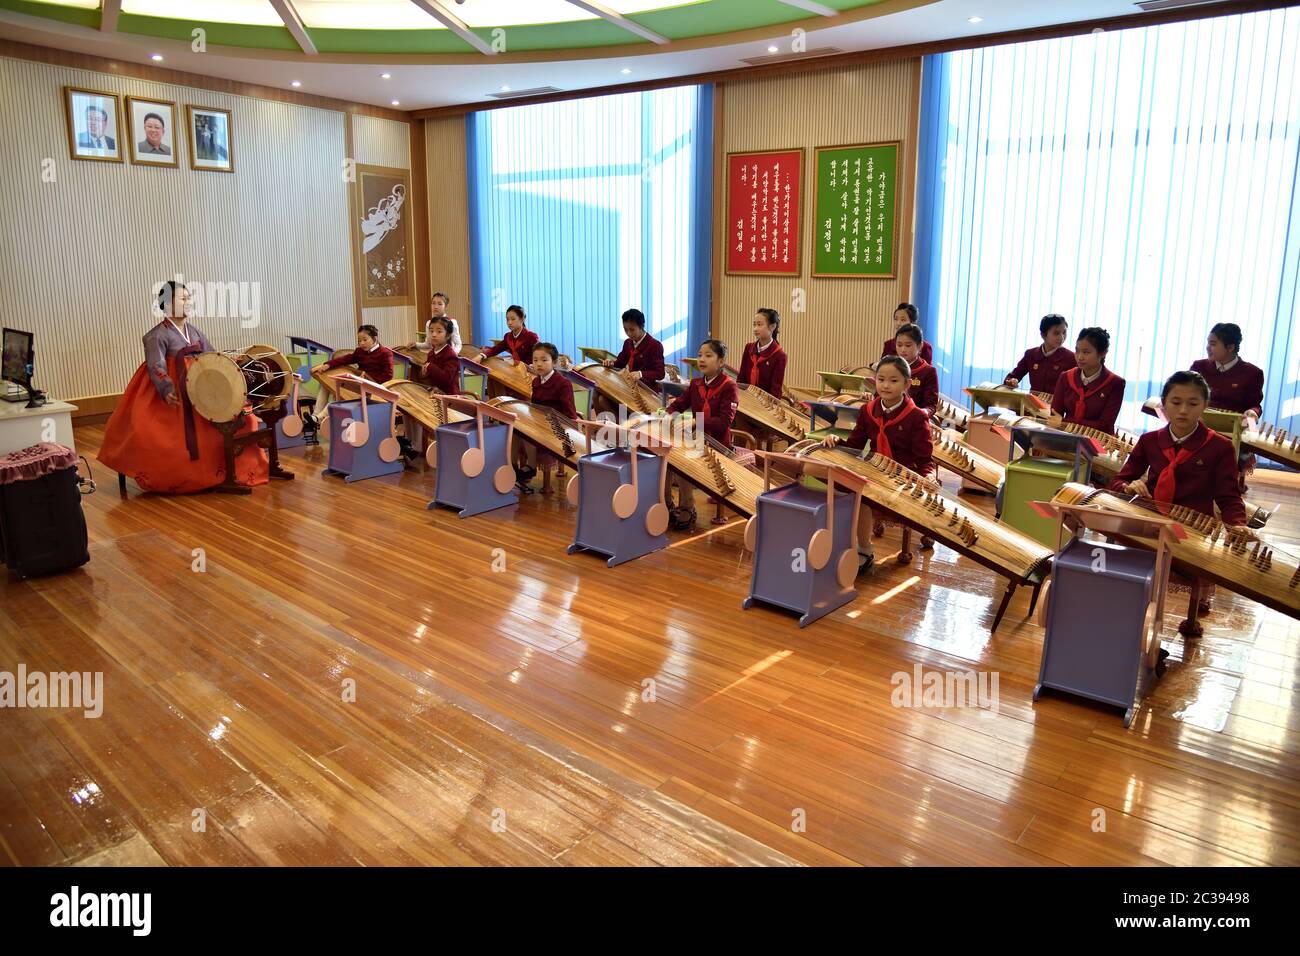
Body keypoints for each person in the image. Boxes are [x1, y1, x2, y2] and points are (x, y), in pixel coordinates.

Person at [98, 281, 267, 493]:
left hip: (200, 386)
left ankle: (226, 471)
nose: (188, 302)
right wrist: (167, 388)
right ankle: (186, 477)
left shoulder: (194, 331)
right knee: (159, 435)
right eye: (182, 299)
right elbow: (156, 365)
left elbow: (212, 356)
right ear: (167, 305)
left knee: (238, 418)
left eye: (189, 298)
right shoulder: (156, 335)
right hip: (175, 388)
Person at [1111, 370, 1252, 617]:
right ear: (1163, 404)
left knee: (1195, 561)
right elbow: (1119, 481)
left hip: (1193, 526)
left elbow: (1228, 496)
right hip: (1153, 519)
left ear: (1205, 406)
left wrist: (1237, 525)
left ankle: (1192, 610)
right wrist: (1129, 487)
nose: (1183, 410)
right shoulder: (1149, 440)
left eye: (1193, 403)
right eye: (1176, 403)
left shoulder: (1219, 446)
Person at [822, 355, 935, 561]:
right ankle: (864, 548)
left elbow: (925, 459)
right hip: (874, 471)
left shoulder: (917, 416)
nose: (886, 385)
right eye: (881, 379)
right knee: (855, 490)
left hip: (903, 477)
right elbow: (854, 446)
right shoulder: (868, 410)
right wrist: (836, 439)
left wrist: (928, 477)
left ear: (907, 384)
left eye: (894, 380)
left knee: (865, 491)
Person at [661, 339, 737, 527]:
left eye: (708, 355)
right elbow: (678, 405)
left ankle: (688, 508)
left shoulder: (729, 387)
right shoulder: (695, 384)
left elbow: (724, 422)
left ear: (721, 362)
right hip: (697, 440)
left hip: (719, 445)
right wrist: (668, 414)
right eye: (700, 355)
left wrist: (696, 421)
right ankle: (666, 503)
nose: (701, 359)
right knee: (665, 454)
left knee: (682, 459)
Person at [516, 342, 578, 494]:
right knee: (515, 428)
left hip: (557, 426)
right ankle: (515, 468)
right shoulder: (536, 381)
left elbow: (570, 414)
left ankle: (529, 468)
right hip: (540, 422)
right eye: (535, 360)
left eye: (544, 360)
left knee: (528, 433)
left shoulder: (563, 383)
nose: (539, 364)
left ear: (554, 362)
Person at [303, 324, 394, 429]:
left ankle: (318, 419)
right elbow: (346, 359)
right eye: (359, 340)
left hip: (373, 387)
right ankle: (315, 416)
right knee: (326, 385)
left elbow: (388, 375)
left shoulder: (385, 353)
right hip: (359, 383)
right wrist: (328, 364)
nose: (361, 343)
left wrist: (369, 381)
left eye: (365, 339)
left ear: (374, 338)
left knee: (339, 393)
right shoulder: (360, 351)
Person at [1048, 327, 1125, 435]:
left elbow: (1104, 425)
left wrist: (1064, 421)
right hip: (1065, 437)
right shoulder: (1065, 377)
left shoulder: (1115, 383)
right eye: (1077, 351)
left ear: (1102, 353)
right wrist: (1061, 422)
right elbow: (1054, 417)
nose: (1079, 357)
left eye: (1086, 352)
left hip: (1097, 442)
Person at [1189, 323, 1264, 421]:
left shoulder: (1253, 373)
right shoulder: (1199, 367)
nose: (1207, 347)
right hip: (1199, 424)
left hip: (1231, 429)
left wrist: (1253, 412)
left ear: (1230, 348)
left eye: (1213, 344)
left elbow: (1254, 405)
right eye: (1208, 343)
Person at [1004, 314, 1075, 394]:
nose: (1062, 337)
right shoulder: (1031, 354)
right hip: (1032, 403)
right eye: (1056, 333)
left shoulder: (1071, 357)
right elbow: (1014, 376)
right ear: (1043, 335)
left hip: (1056, 405)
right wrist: (1011, 381)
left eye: (1064, 332)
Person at [604, 308, 665, 388]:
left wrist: (641, 374)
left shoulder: (655, 345)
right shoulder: (627, 343)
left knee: (602, 400)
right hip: (629, 384)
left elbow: (660, 373)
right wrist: (611, 363)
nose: (628, 333)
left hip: (645, 388)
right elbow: (620, 363)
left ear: (642, 326)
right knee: (597, 394)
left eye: (632, 330)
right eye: (625, 330)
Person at [737, 308, 786, 398]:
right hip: (746, 400)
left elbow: (776, 389)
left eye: (759, 325)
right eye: (754, 325)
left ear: (772, 326)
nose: (755, 328)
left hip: (765, 405)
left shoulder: (780, 355)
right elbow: (741, 379)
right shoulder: (749, 348)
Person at [893, 323, 938, 419]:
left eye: (908, 345)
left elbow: (931, 406)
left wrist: (922, 413)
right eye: (899, 345)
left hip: (915, 421)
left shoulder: (928, 371)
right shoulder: (890, 366)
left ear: (920, 346)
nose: (903, 349)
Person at [421, 317, 461, 395]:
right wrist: (423, 372)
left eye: (439, 331)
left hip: (449, 397)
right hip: (435, 393)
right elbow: (426, 375)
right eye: (431, 331)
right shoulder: (431, 353)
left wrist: (430, 367)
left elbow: (446, 379)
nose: (434, 334)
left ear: (448, 335)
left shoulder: (451, 355)